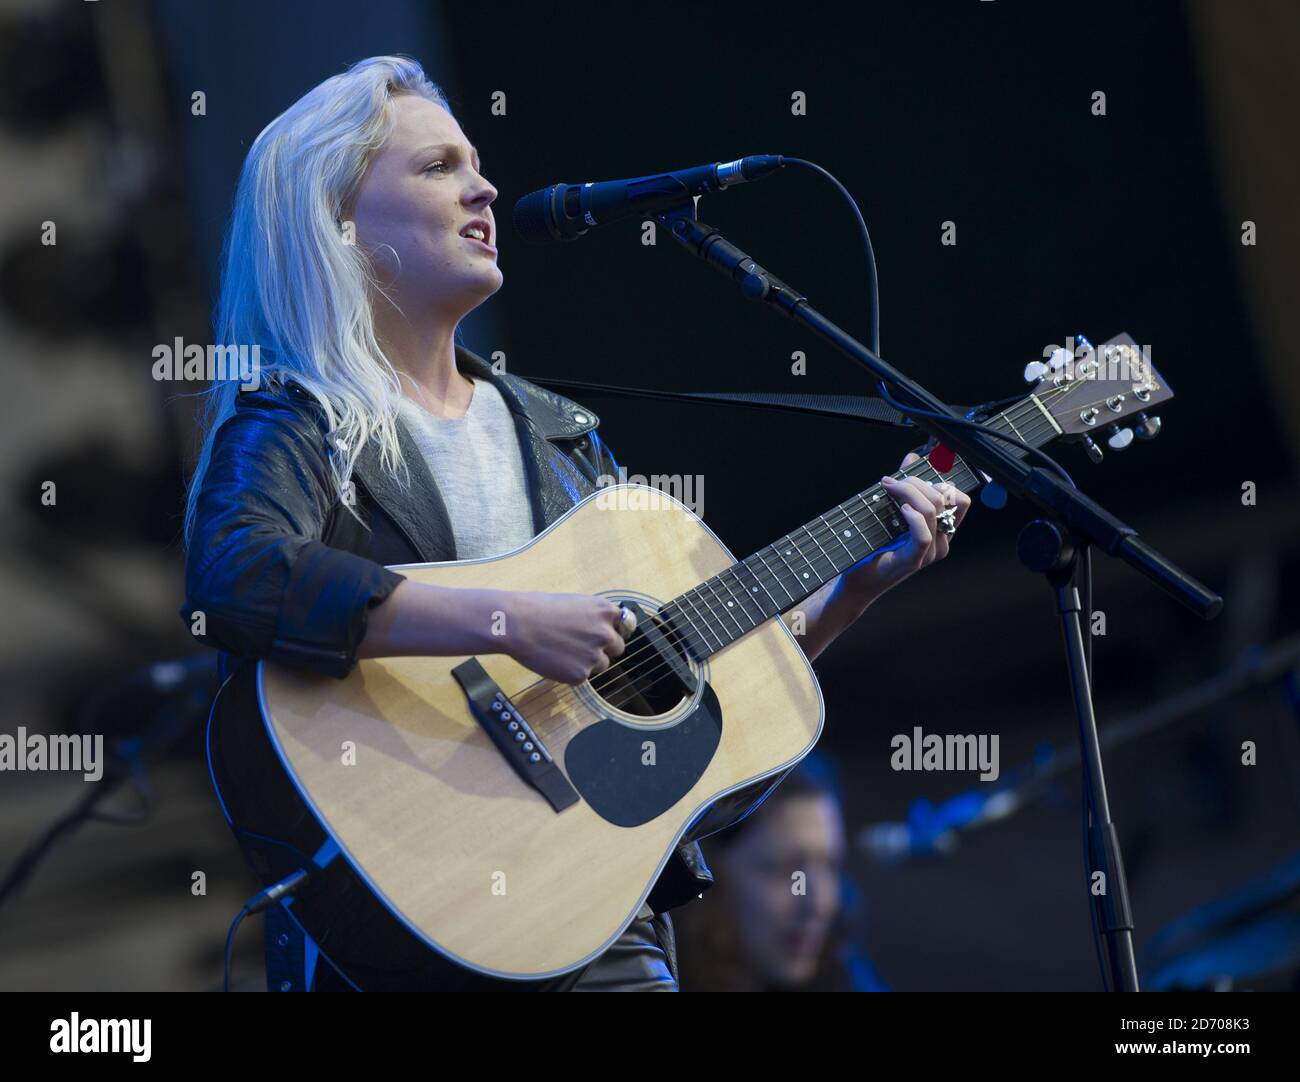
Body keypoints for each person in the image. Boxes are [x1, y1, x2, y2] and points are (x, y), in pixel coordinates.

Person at [181, 55, 972, 992]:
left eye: (475, 161)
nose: (484, 186)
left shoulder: (563, 438)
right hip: (408, 909)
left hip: (599, 926)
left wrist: (853, 592)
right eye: (437, 167)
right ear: (338, 224)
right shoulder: (297, 422)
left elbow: (683, 705)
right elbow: (239, 576)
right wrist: (510, 622)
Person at [673, 752, 889, 991]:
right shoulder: (648, 973)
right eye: (784, 869)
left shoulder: (845, 976)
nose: (818, 904)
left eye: (829, 865)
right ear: (706, 868)